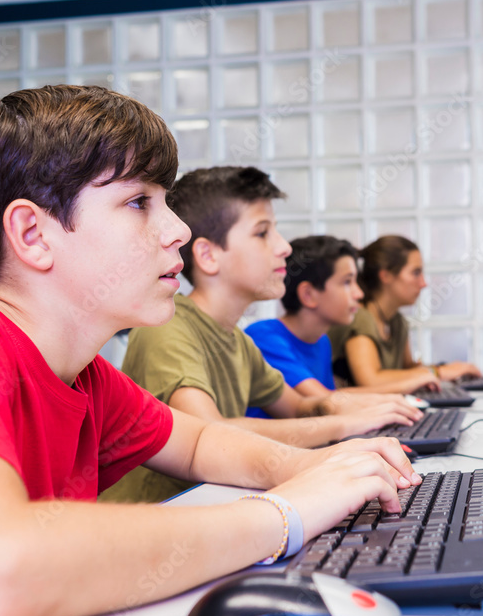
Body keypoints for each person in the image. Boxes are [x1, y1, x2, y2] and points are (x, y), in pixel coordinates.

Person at [0, 85, 420, 616]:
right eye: (139, 202)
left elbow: (200, 445)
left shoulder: (87, 376)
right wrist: (283, 515)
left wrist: (325, 470)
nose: (177, 230)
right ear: (33, 234)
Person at [104, 168, 421, 504]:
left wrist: (374, 407)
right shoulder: (168, 328)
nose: (284, 247)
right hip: (159, 525)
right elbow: (211, 431)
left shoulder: (237, 340)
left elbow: (300, 406)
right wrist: (343, 427)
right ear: (208, 256)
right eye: (262, 233)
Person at [246, 235, 438, 403]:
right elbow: (323, 401)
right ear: (309, 295)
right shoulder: (264, 338)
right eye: (347, 282)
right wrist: (407, 385)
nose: (359, 293)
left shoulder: (321, 342)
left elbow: (333, 398)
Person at [329, 235, 483, 388]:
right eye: (416, 273)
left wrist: (446, 370)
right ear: (386, 275)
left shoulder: (397, 321)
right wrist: (439, 372)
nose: (423, 284)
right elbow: (371, 380)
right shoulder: (360, 317)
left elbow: (406, 369)